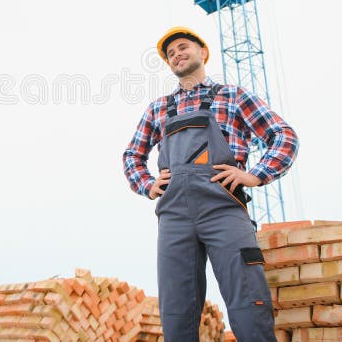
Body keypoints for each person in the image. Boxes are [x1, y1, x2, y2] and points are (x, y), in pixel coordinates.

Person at [122, 26, 299, 341]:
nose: (177, 54)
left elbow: (284, 136)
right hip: (174, 216)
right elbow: (132, 156)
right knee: (176, 309)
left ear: (202, 52)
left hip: (224, 209)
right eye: (170, 53)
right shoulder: (158, 108)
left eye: (183, 47)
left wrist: (255, 175)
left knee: (248, 299)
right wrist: (148, 184)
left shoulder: (232, 96)